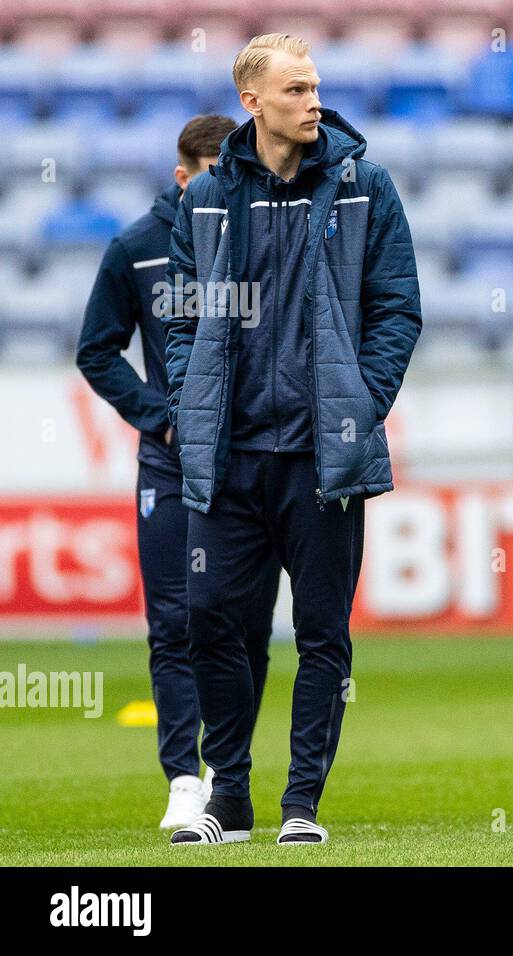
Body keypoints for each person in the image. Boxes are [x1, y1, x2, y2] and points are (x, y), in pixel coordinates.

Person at [163, 34, 421, 845]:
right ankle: (227, 798)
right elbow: (177, 314)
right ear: (252, 101)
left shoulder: (364, 186)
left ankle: (301, 805)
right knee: (209, 620)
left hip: (322, 455)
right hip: (229, 454)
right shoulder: (203, 197)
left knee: (322, 636)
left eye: (315, 86)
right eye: (296, 89)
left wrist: (359, 401)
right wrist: (191, 393)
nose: (314, 100)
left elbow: (397, 311)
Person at [76, 114, 280, 831]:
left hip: (250, 457)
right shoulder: (136, 248)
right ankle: (182, 778)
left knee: (245, 626)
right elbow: (96, 350)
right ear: (182, 176)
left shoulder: (264, 234)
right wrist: (158, 412)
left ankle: (230, 771)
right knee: (174, 621)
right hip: (171, 461)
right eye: (210, 178)